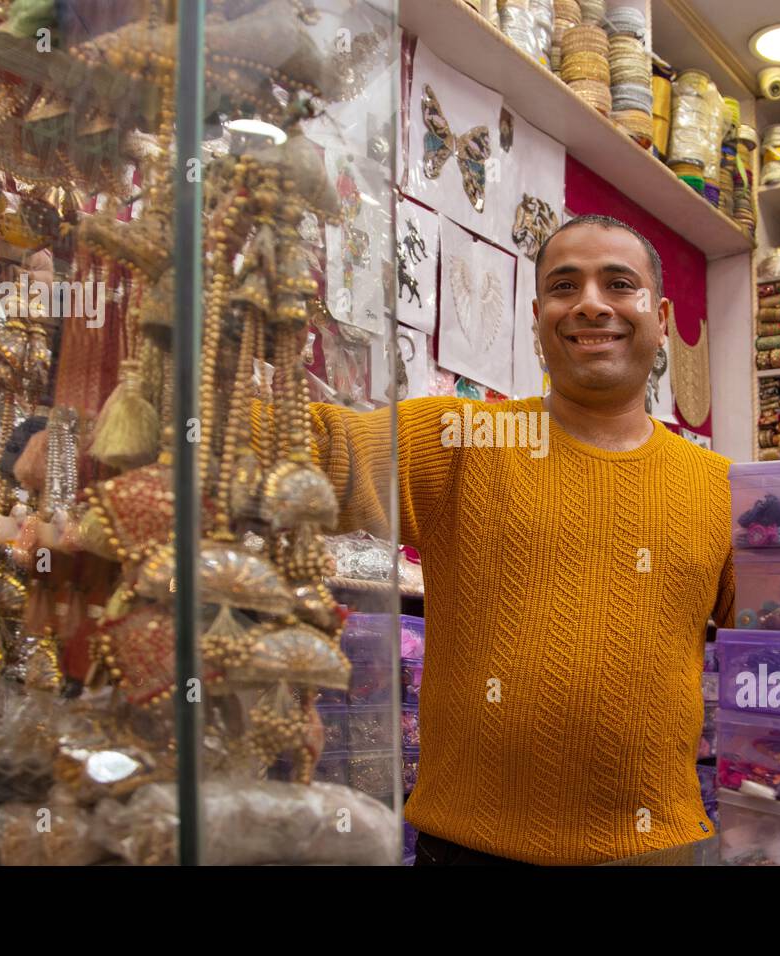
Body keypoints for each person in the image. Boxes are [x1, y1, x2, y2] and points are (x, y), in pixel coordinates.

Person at [311, 214, 734, 865]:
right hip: (469, 851)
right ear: (539, 316)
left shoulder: (723, 488)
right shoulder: (461, 439)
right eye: (566, 287)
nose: (591, 303)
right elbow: (317, 450)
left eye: (618, 284)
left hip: (657, 848)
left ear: (659, 313)